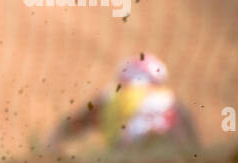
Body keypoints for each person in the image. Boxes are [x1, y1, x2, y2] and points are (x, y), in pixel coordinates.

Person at [46, 53, 200, 153]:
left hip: (125, 157)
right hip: (170, 155)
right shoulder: (169, 99)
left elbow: (73, 125)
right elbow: (193, 145)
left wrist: (49, 146)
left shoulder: (111, 96)